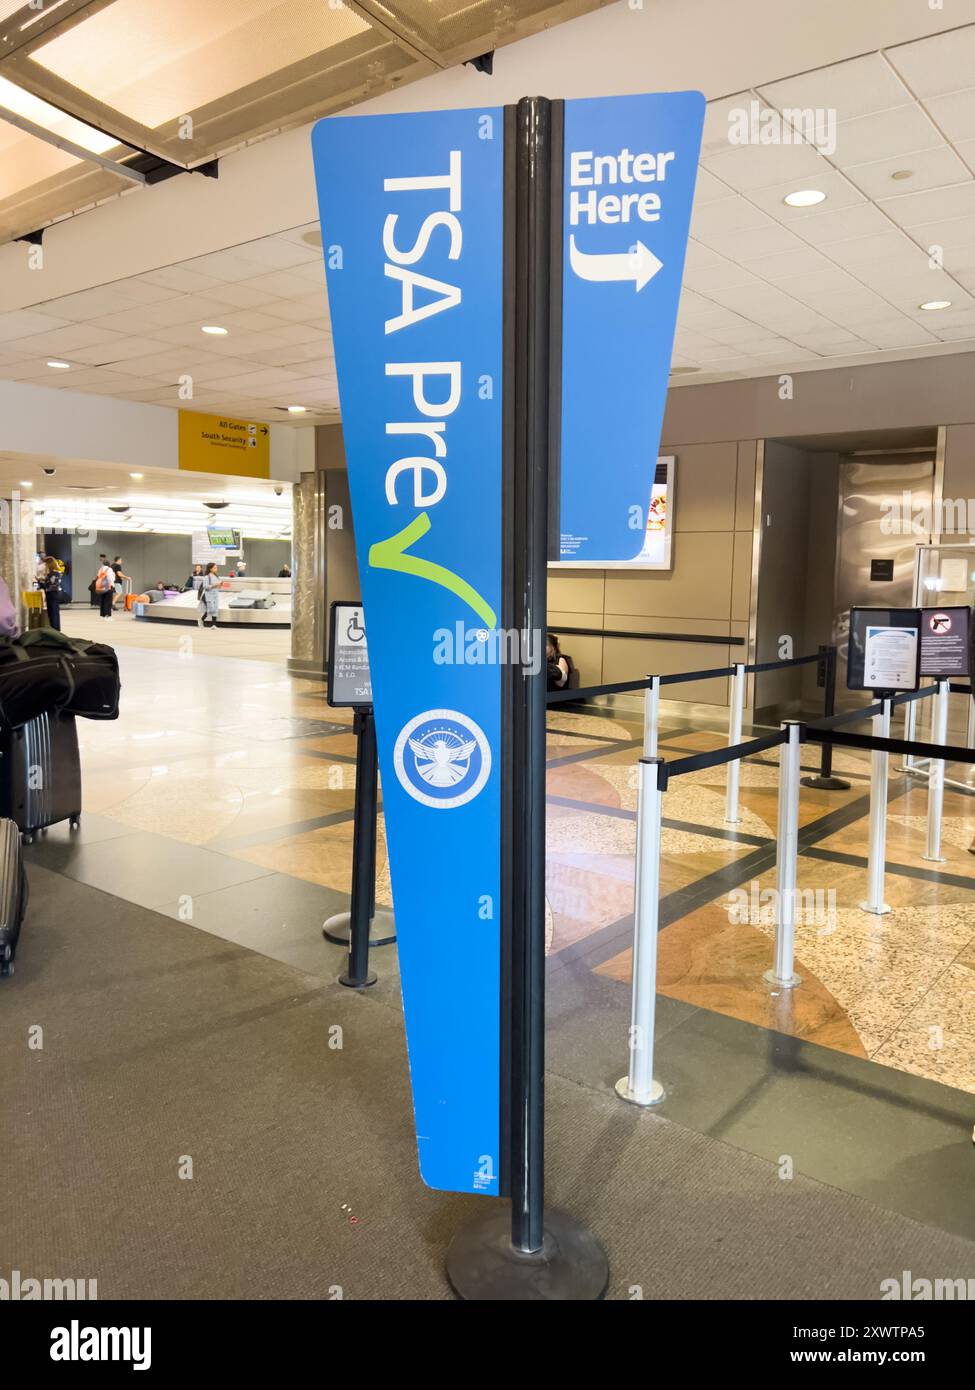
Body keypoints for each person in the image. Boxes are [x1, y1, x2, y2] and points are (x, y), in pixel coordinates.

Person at [36, 555, 64, 631]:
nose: (44, 566)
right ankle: (55, 629)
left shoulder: (53, 574)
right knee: (53, 613)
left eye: (45, 564)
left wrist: (40, 582)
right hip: (52, 594)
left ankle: (55, 630)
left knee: (53, 613)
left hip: (52, 595)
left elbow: (49, 586)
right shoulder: (53, 573)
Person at [198, 562, 220, 629]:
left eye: (216, 567)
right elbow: (205, 586)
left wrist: (220, 585)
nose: (216, 569)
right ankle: (201, 619)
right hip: (208, 595)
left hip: (215, 595)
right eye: (215, 568)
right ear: (210, 569)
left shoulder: (216, 576)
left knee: (215, 609)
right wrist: (215, 585)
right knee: (210, 609)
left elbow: (217, 586)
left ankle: (214, 625)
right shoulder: (207, 577)